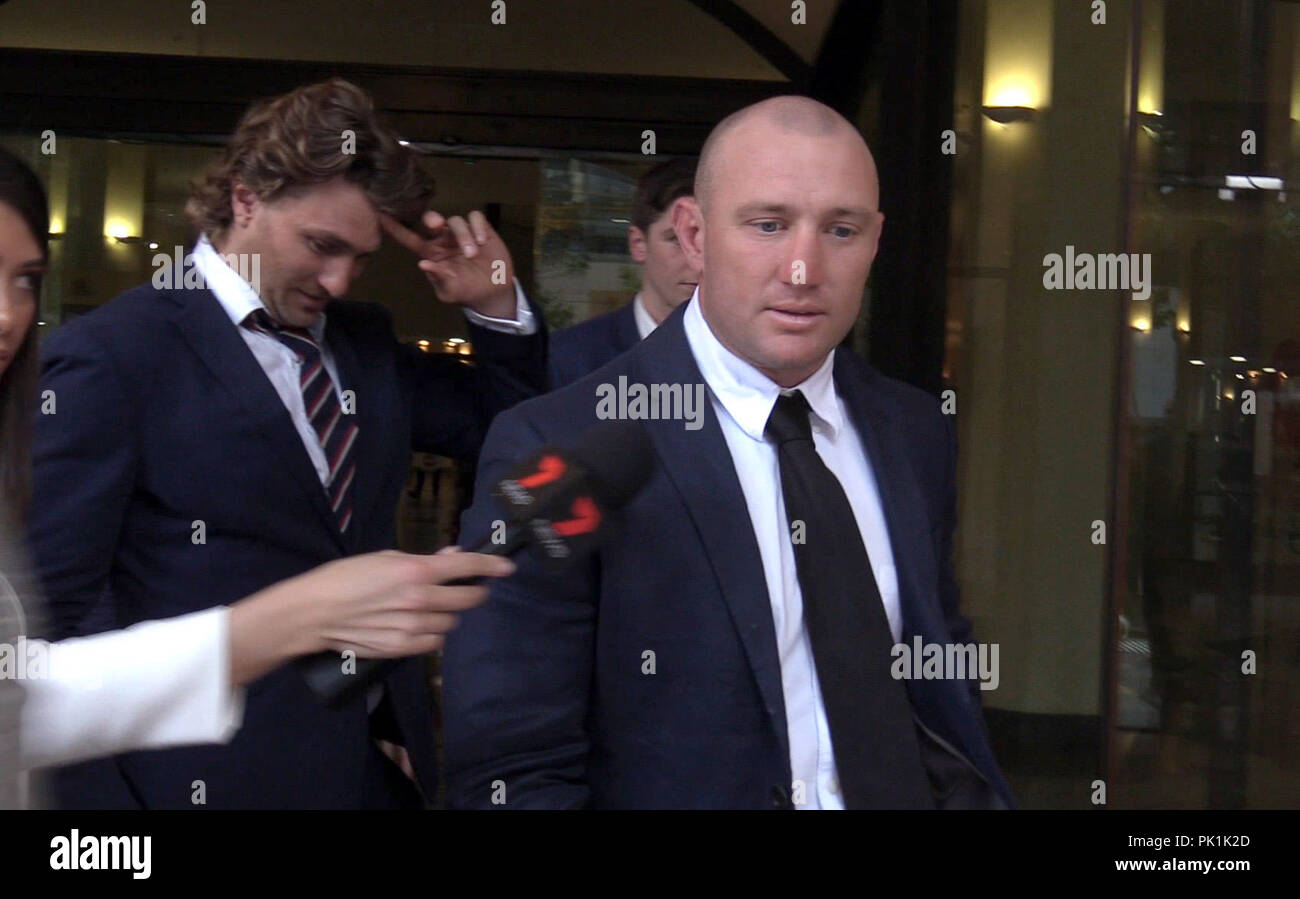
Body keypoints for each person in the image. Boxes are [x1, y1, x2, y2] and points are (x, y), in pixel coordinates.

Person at [442, 97, 1014, 809]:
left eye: (840, 229)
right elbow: (511, 762)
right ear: (693, 234)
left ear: (875, 241)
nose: (803, 269)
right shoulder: (564, 440)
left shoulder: (913, 431)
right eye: (768, 225)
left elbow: (938, 677)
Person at [28, 79, 546, 809]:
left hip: (365, 772)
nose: (338, 280)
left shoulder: (364, 343)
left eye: (360, 258)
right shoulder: (116, 356)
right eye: (321, 246)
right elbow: (51, 618)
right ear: (245, 197)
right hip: (187, 783)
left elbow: (511, 432)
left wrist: (494, 304)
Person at [547, 156, 699, 388]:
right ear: (638, 244)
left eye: (713, 241)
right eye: (677, 240)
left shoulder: (759, 357)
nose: (697, 258)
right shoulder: (568, 358)